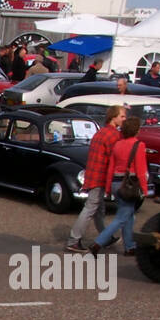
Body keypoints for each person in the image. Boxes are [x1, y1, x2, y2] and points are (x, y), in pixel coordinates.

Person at [66, 104, 125, 252]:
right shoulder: (114, 135)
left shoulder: (100, 132)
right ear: (113, 117)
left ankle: (105, 237)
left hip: (92, 174)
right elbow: (115, 158)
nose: (124, 119)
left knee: (98, 209)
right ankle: (74, 240)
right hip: (100, 176)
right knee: (91, 208)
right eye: (122, 116)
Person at [92, 116, 147, 256]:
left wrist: (109, 187)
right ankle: (98, 242)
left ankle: (129, 246)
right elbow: (141, 170)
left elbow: (111, 167)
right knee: (122, 217)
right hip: (130, 184)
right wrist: (144, 189)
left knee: (128, 215)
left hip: (116, 183)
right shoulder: (139, 145)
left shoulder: (118, 144)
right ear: (136, 130)